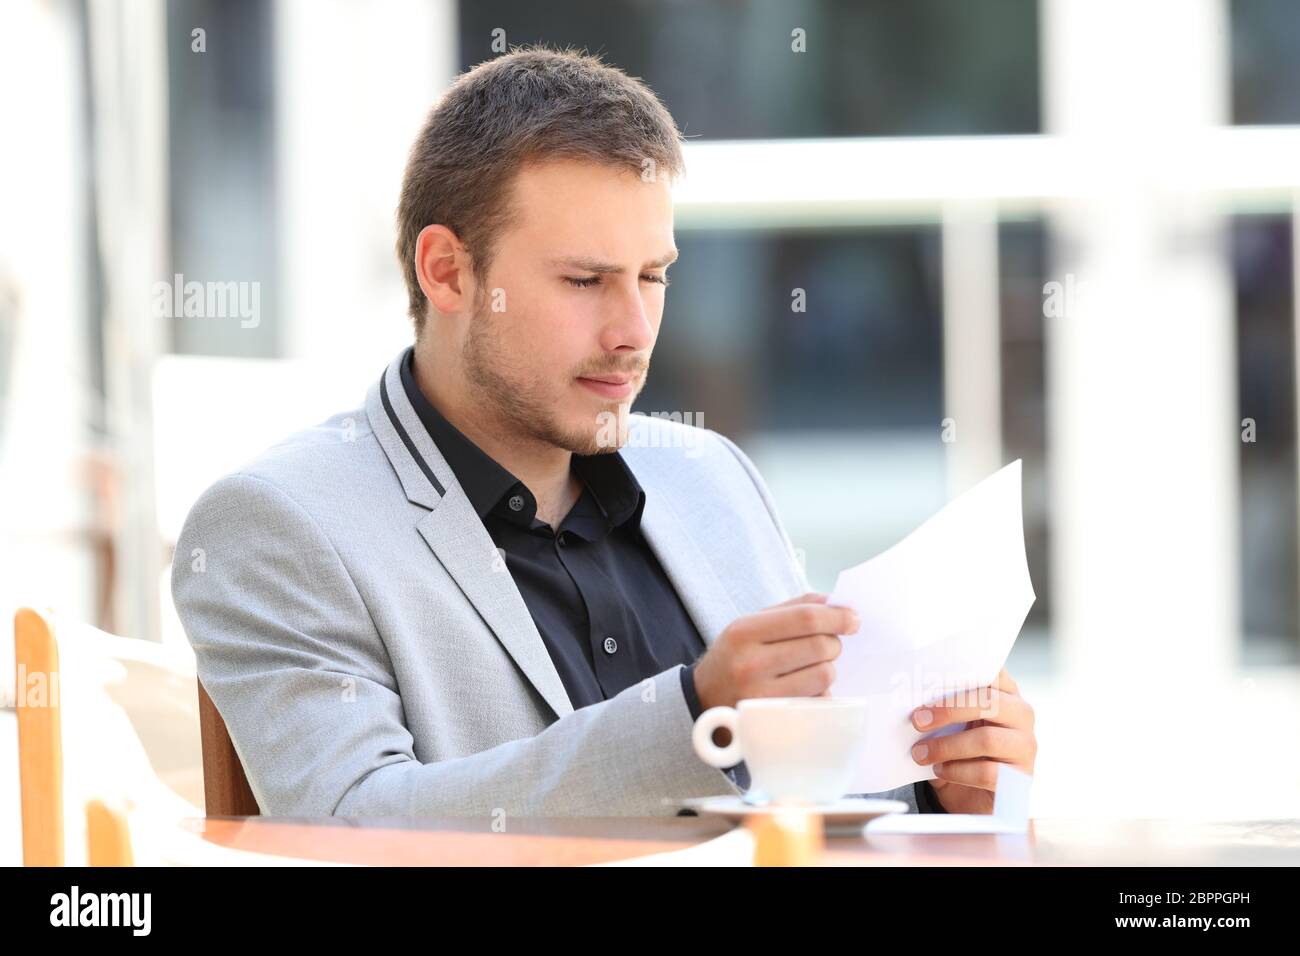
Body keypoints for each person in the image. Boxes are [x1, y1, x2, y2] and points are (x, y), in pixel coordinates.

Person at [172, 45, 1036, 817]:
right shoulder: (279, 524)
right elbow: (354, 825)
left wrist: (937, 787)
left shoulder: (711, 475)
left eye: (653, 275)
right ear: (447, 272)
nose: (634, 329)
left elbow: (811, 795)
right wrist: (694, 717)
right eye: (585, 281)